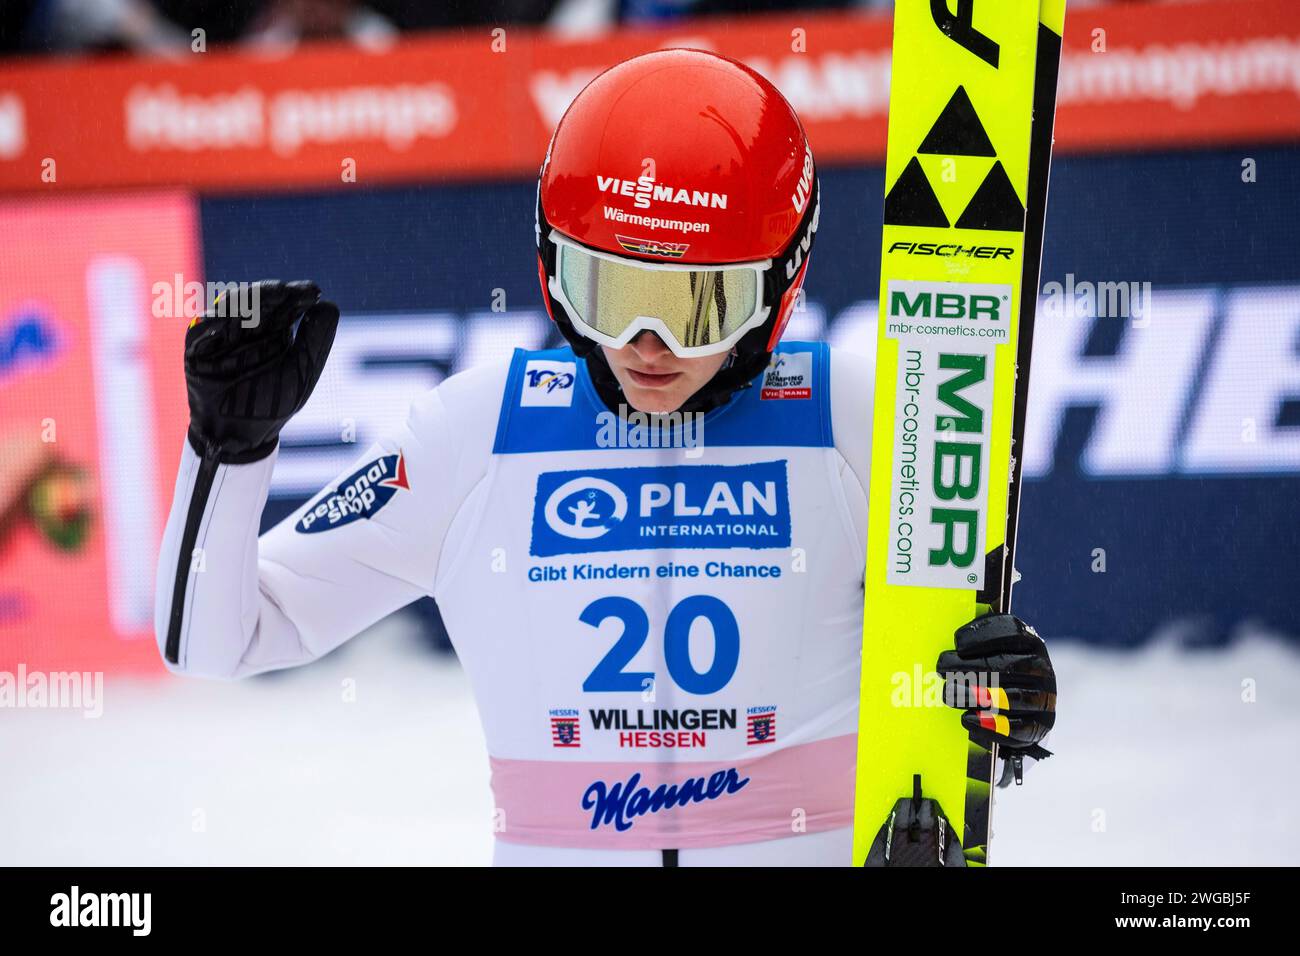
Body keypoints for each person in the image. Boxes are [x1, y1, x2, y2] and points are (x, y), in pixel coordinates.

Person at [155, 48, 1055, 866]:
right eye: (610, 290)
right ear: (553, 265)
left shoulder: (866, 417)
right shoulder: (477, 432)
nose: (646, 345)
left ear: (781, 286)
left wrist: (1003, 693)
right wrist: (227, 451)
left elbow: (958, 664)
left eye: (698, 304)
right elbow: (216, 639)